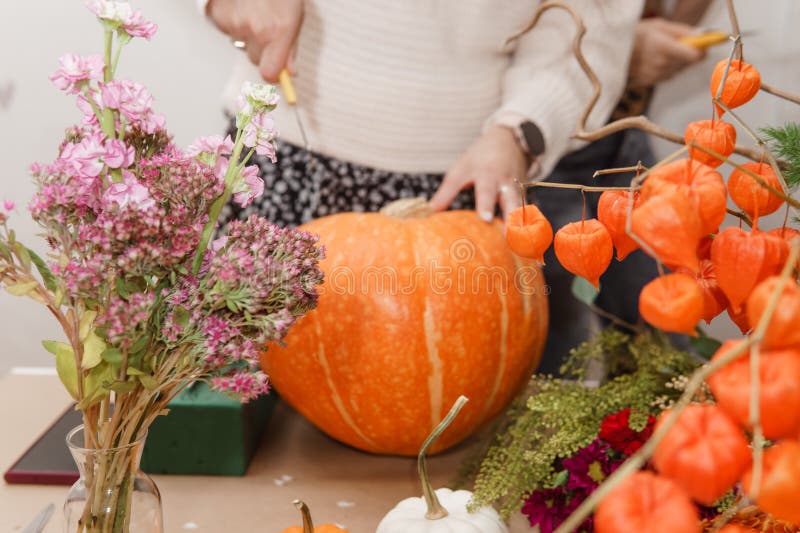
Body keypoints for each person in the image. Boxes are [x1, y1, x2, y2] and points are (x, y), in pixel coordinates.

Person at [202, 0, 702, 371]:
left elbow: (591, 25)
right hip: (279, 165)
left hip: (462, 187)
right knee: (242, 410)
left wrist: (521, 130)